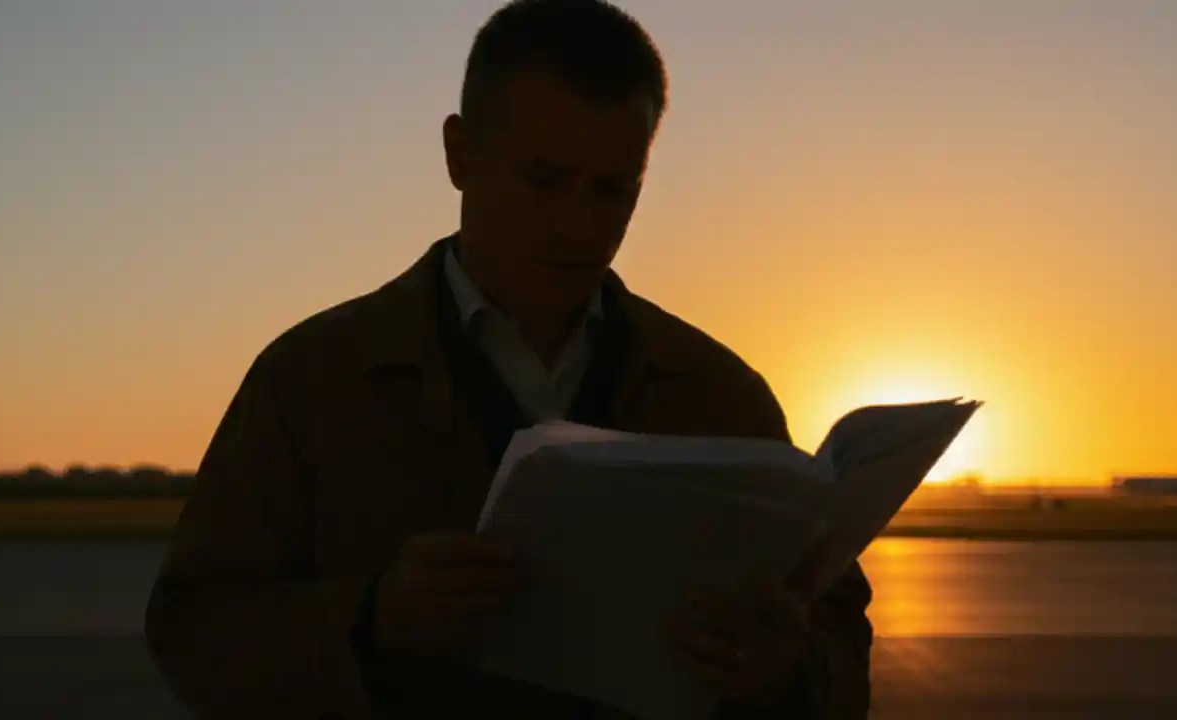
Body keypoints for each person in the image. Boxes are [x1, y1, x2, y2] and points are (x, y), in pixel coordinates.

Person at [143, 1, 872, 717]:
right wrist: (370, 621)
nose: (580, 226)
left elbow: (836, 639)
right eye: (545, 180)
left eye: (613, 191)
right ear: (460, 155)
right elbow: (193, 634)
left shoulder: (724, 395)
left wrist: (787, 673)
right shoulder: (306, 381)